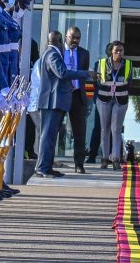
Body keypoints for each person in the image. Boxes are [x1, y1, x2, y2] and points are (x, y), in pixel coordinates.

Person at [32, 29, 77, 177]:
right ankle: (42, 168)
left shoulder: (51, 54)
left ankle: (47, 167)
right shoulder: (53, 54)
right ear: (58, 41)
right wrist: (85, 74)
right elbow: (62, 73)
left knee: (50, 137)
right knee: (47, 137)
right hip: (51, 102)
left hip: (54, 102)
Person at [96, 41, 133, 169]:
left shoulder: (128, 64)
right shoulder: (101, 63)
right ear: (111, 51)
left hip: (120, 100)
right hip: (103, 99)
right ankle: (105, 158)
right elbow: (96, 82)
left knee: (116, 129)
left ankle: (116, 158)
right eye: (116, 50)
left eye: (121, 50)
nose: (119, 53)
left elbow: (130, 83)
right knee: (104, 128)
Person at [62, 26, 93, 172]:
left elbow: (86, 77)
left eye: (78, 38)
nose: (75, 40)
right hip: (62, 95)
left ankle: (79, 163)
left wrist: (89, 98)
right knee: (55, 128)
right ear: (66, 37)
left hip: (78, 95)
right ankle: (46, 163)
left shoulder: (84, 54)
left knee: (80, 131)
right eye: (72, 37)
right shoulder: (59, 52)